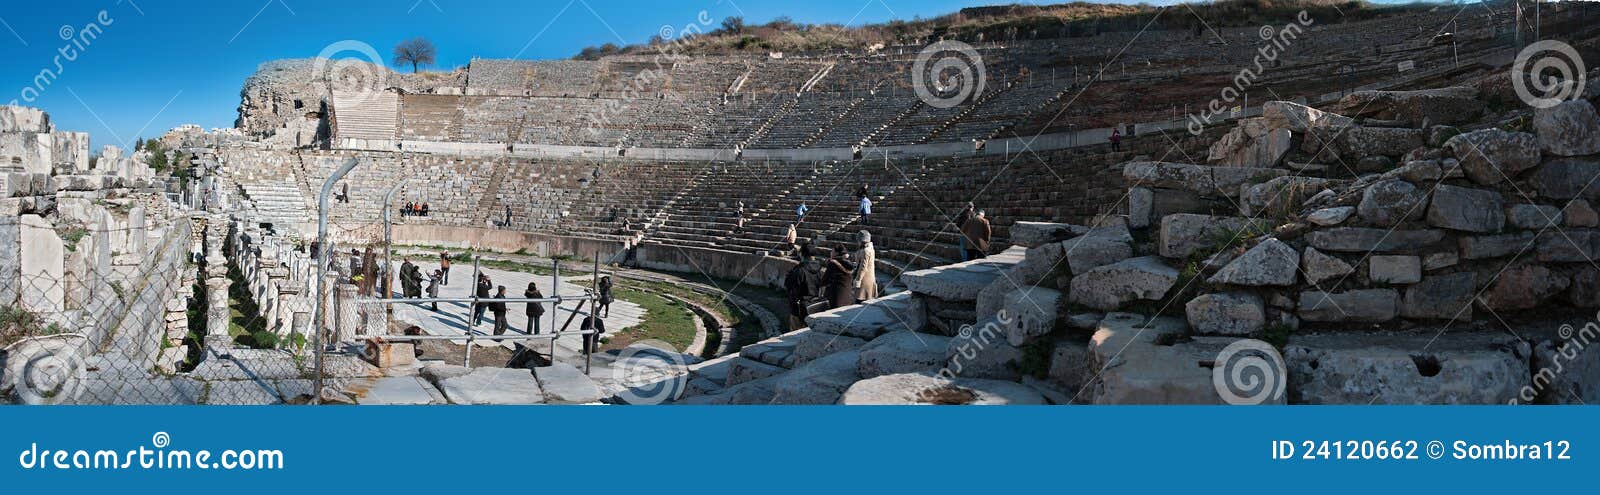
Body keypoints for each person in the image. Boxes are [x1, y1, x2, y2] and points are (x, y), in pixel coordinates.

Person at [783, 249, 819, 330]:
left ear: (801, 254)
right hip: (814, 305)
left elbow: (789, 285)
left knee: (795, 333)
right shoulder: (819, 269)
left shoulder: (799, 270)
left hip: (799, 308)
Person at [854, 230, 878, 302]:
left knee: (860, 301)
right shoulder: (871, 249)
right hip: (870, 279)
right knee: (868, 300)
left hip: (864, 281)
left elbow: (863, 267)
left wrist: (858, 280)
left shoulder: (865, 251)